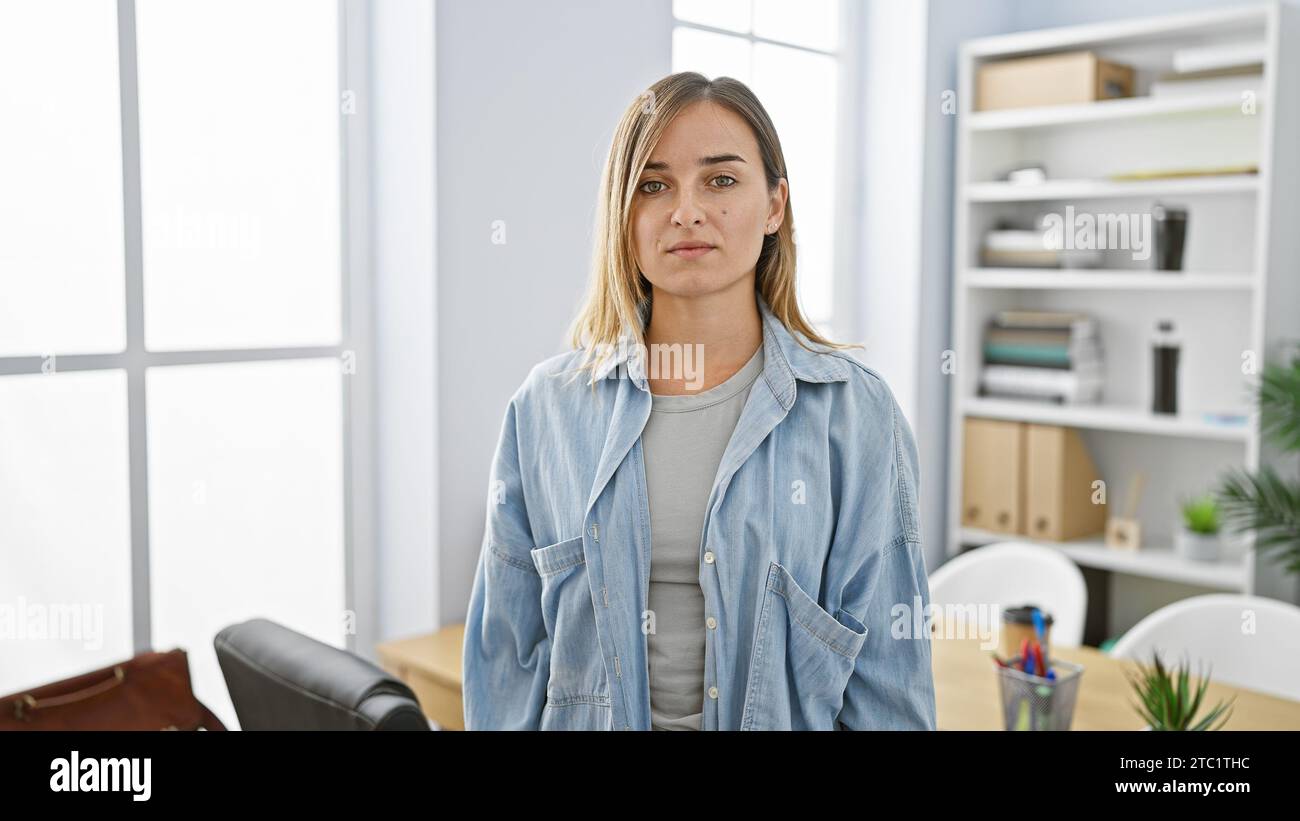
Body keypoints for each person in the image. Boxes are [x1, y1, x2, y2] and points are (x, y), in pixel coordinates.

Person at [462, 72, 936, 731]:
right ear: (622, 216)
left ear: (775, 206)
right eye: (654, 185)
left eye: (721, 180)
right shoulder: (545, 410)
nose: (686, 211)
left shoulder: (857, 419)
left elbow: (890, 685)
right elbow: (504, 663)